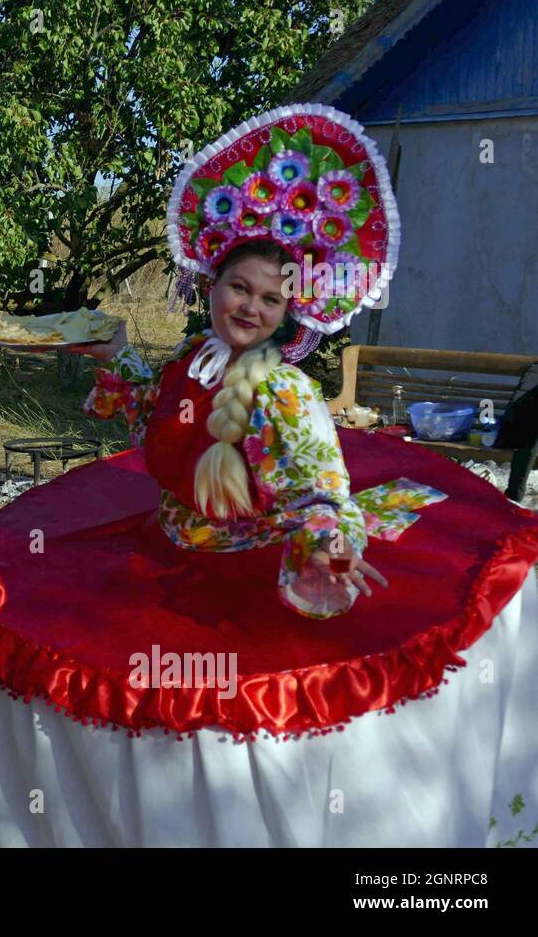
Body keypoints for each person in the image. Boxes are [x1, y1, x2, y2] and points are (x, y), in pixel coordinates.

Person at [69, 104, 445, 619]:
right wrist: (117, 354)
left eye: (271, 299)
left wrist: (329, 547)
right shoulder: (194, 355)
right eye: (239, 287)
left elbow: (321, 493)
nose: (251, 307)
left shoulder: (285, 391)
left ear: (288, 311)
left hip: (241, 572)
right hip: (167, 545)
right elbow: (154, 426)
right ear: (211, 285)